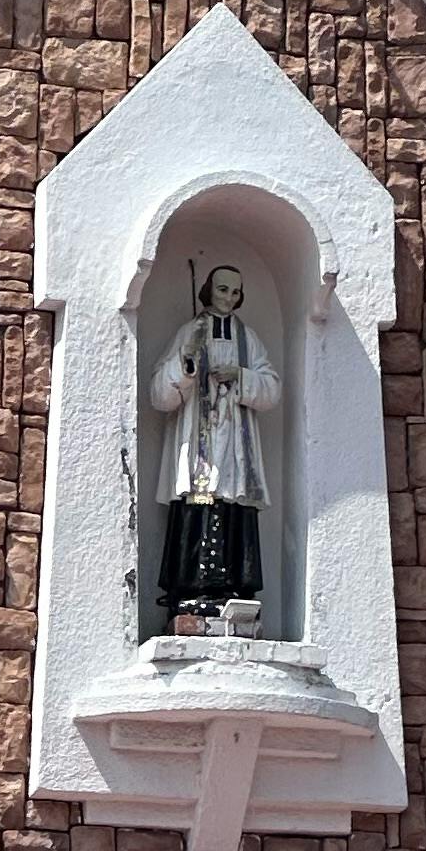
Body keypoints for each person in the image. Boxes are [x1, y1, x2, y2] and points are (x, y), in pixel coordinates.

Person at [150, 265, 280, 628]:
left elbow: (271, 387)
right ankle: (191, 589)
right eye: (222, 290)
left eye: (235, 293)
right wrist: (187, 363)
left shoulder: (248, 338)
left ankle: (236, 589)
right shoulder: (189, 332)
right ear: (208, 290)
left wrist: (240, 376)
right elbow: (160, 395)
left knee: (233, 506)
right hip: (199, 443)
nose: (228, 298)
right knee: (201, 504)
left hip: (236, 443)